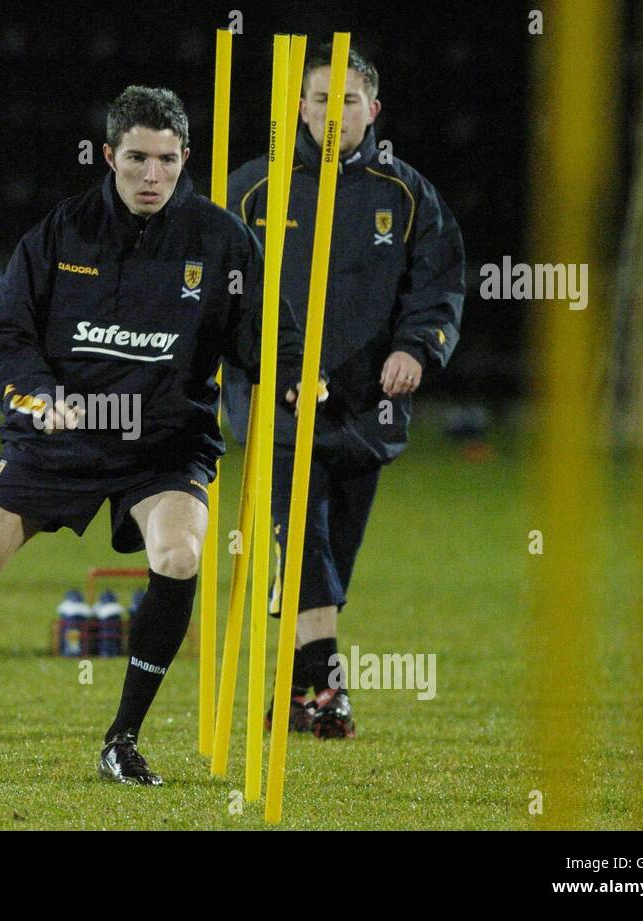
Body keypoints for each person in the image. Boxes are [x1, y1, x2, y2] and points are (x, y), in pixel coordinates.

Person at [0, 85, 302, 785]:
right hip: (60, 440)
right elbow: (3, 338)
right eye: (137, 159)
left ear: (185, 157)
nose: (153, 177)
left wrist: (292, 374)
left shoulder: (221, 239)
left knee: (178, 556)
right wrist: (40, 396)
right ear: (109, 155)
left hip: (164, 441)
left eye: (168, 161)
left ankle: (122, 738)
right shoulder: (62, 232)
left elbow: (266, 335)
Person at [226, 44, 465, 739]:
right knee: (303, 538)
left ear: (374, 110)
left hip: (367, 405)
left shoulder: (409, 193)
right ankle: (330, 691)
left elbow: (440, 281)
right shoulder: (252, 190)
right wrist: (271, 367)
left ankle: (301, 694)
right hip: (275, 399)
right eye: (322, 98)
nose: (334, 113)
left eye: (349, 100)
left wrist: (415, 347)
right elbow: (221, 293)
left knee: (332, 554)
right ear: (300, 107)